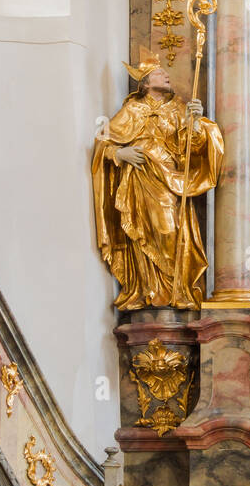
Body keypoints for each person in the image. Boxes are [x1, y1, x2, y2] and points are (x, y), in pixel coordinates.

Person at [91, 50, 224, 310]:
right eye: (159, 73)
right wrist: (120, 152)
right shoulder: (132, 109)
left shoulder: (178, 109)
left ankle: (176, 291)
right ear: (145, 83)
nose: (166, 75)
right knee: (145, 233)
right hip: (140, 181)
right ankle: (148, 290)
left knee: (172, 232)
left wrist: (195, 123)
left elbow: (189, 150)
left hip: (169, 181)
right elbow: (103, 142)